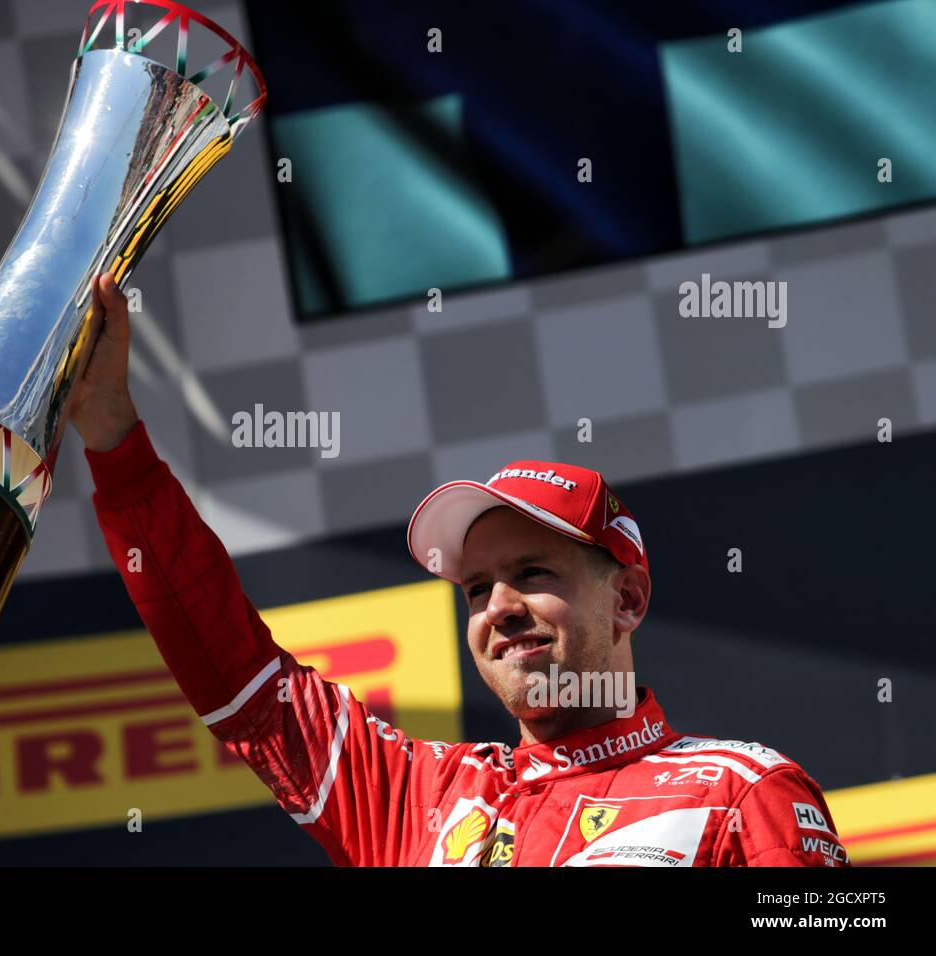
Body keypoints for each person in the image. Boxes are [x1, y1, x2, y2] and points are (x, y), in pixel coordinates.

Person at [66, 272, 849, 867]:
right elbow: (233, 673)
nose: (499, 606)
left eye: (534, 573)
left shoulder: (741, 792)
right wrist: (111, 438)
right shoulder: (420, 798)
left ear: (629, 599)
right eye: (476, 588)